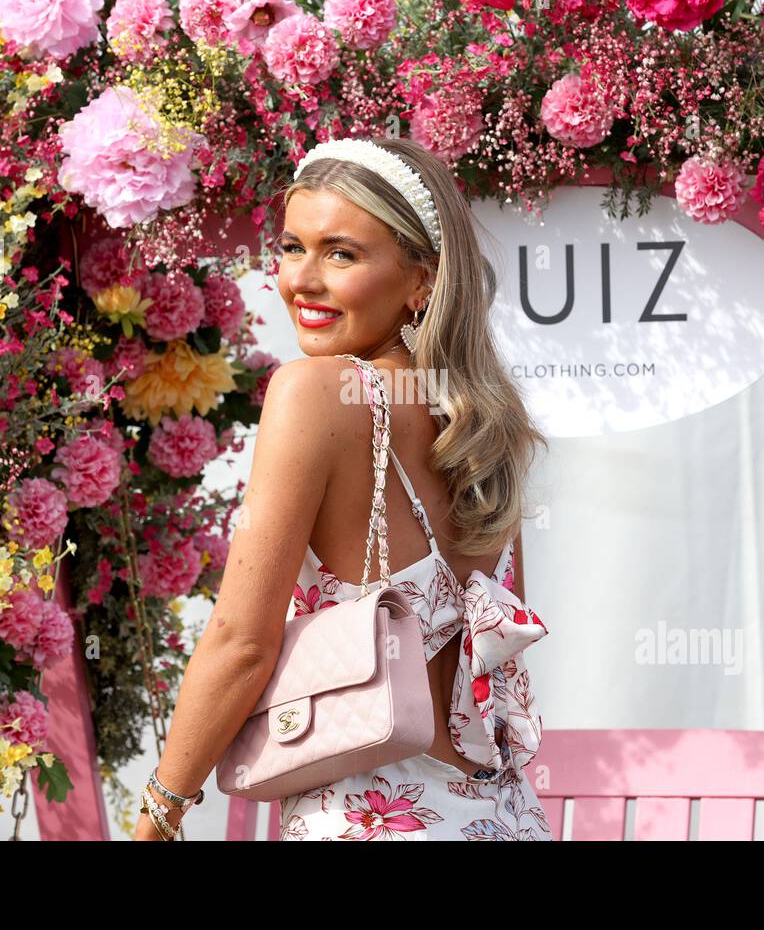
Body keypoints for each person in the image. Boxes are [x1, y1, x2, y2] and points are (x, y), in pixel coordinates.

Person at [135, 136, 552, 841]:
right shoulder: (485, 425)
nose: (302, 279)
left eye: (341, 253)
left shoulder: (317, 394)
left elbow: (241, 643)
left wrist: (159, 812)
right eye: (293, 247)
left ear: (422, 279)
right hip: (504, 820)